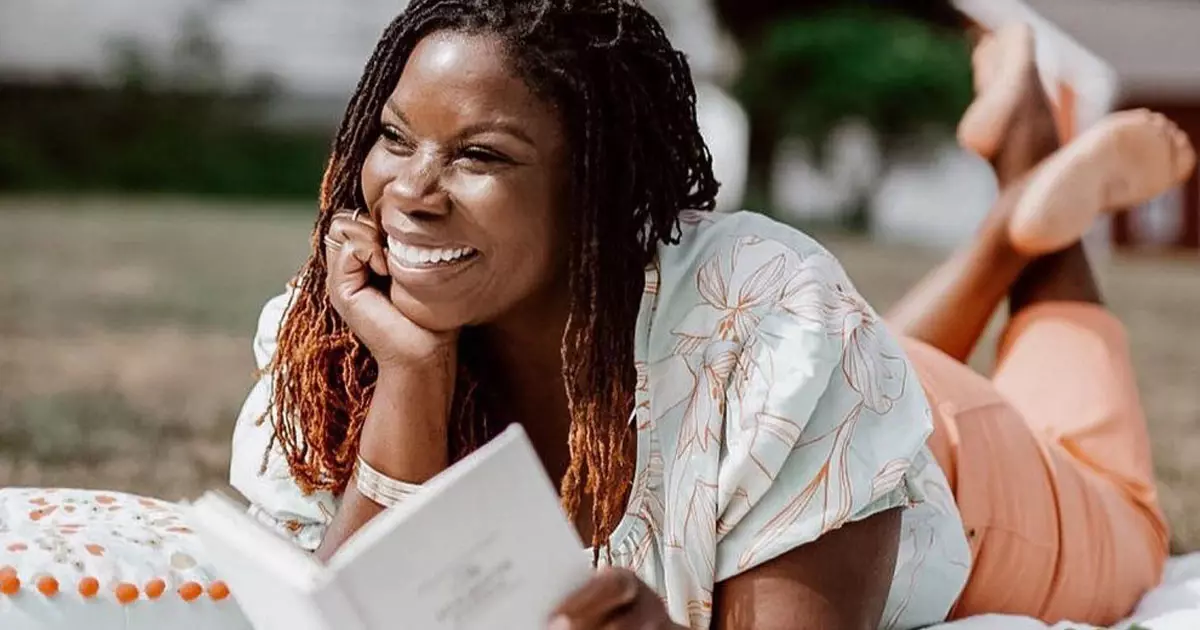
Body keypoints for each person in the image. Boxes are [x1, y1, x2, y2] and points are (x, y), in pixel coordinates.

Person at [228, 2, 1197, 628]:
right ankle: (1012, 221)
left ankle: (1033, 179)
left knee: (1127, 510)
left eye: (482, 156)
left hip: (972, 479)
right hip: (809, 400)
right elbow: (345, 613)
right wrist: (412, 372)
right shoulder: (340, 340)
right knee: (822, 357)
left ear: (599, 193)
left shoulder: (776, 319)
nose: (413, 192)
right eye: (395, 138)